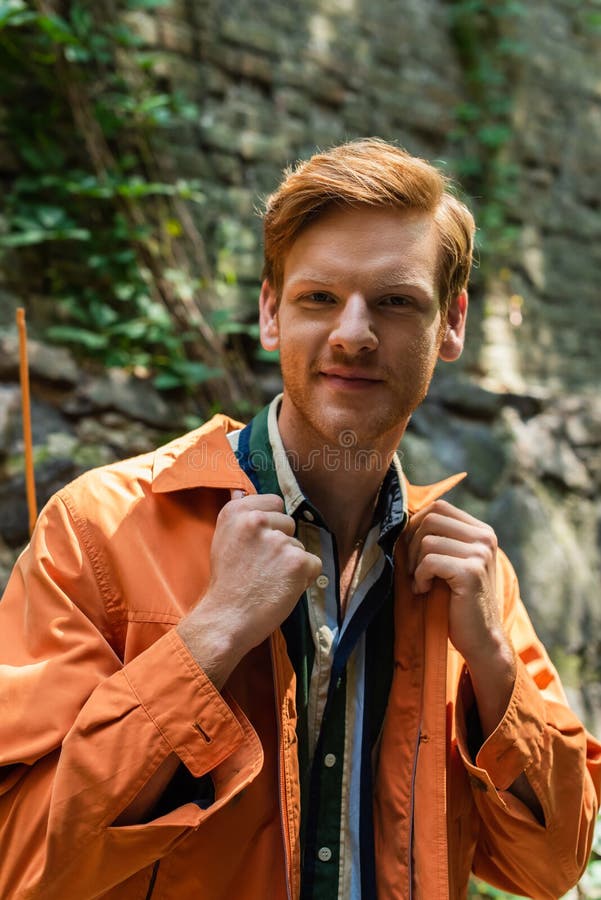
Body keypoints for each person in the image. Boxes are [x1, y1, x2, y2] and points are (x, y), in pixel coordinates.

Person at [0, 139, 599, 900]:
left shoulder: (471, 580)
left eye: (395, 301)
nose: (352, 333)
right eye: (319, 298)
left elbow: (549, 868)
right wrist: (209, 636)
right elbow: (19, 864)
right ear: (269, 312)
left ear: (450, 325)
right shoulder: (98, 530)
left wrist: (492, 668)